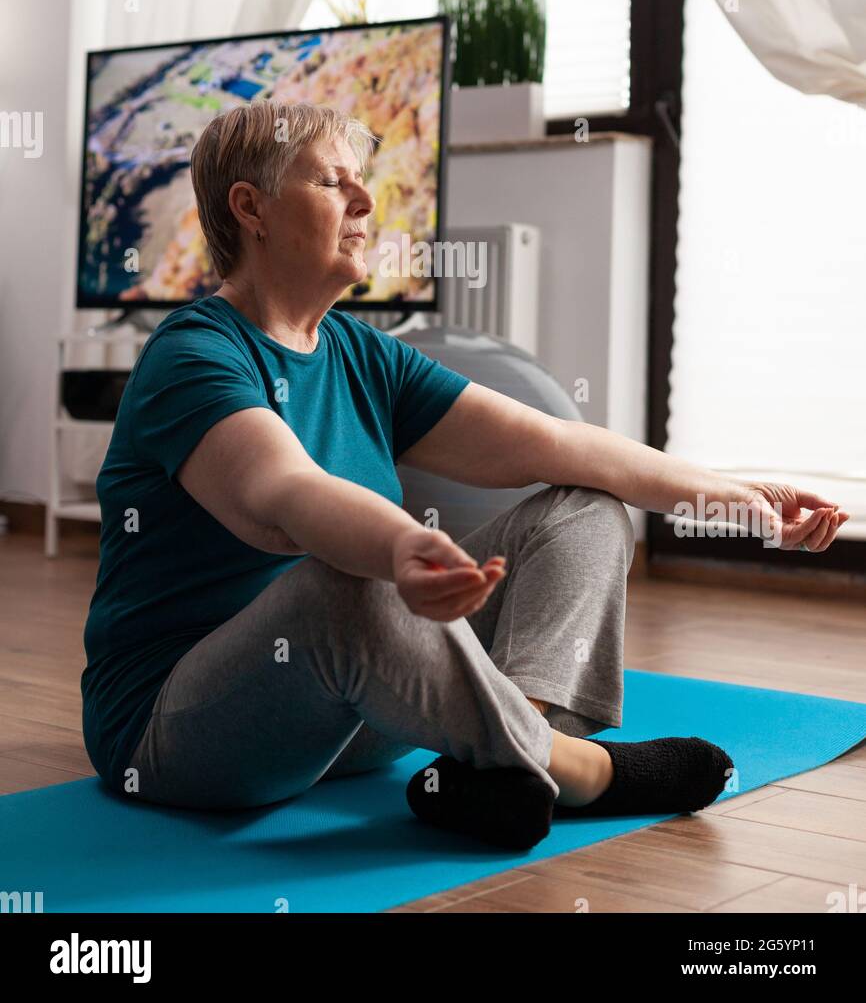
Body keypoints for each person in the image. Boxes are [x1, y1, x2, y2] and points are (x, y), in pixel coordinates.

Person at [81, 101, 848, 849]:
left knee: (586, 507)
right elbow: (282, 495)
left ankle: (508, 759)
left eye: (361, 181)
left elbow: (554, 443)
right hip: (187, 733)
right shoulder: (194, 357)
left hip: (348, 717)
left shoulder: (359, 352)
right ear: (251, 208)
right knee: (342, 581)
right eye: (330, 182)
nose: (363, 200)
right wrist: (400, 549)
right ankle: (578, 770)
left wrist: (738, 499)